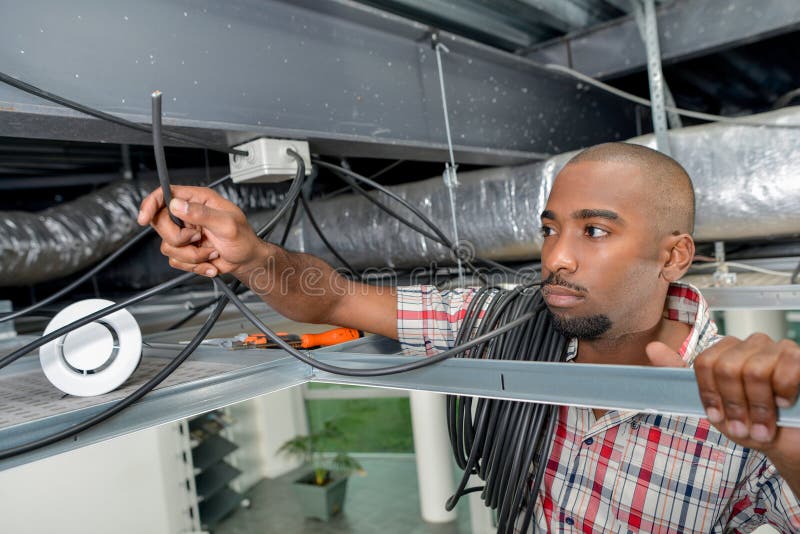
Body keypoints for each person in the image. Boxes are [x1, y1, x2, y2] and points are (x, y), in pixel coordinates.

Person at [138, 142, 800, 532]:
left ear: (673, 256)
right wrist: (254, 258)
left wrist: (787, 440)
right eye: (549, 229)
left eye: (594, 231)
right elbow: (334, 297)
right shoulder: (502, 324)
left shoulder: (743, 408)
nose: (557, 257)